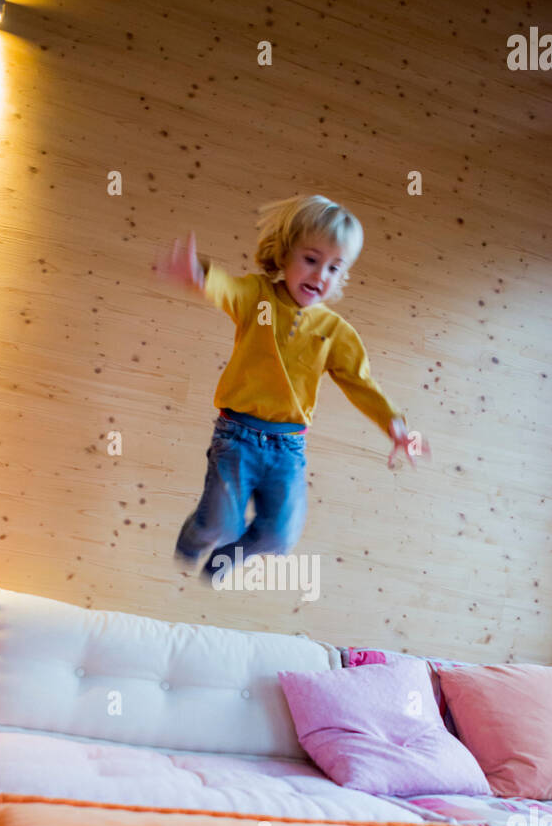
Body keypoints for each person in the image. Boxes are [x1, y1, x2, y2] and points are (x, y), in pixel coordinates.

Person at [153, 193, 429, 583]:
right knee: (222, 525)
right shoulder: (257, 297)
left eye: (334, 268)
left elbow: (361, 383)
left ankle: (221, 562)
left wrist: (395, 425)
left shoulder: (336, 333)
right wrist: (200, 276)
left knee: (280, 538)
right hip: (237, 438)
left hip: (288, 449)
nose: (320, 277)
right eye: (311, 260)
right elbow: (227, 290)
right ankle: (198, 537)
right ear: (285, 255)